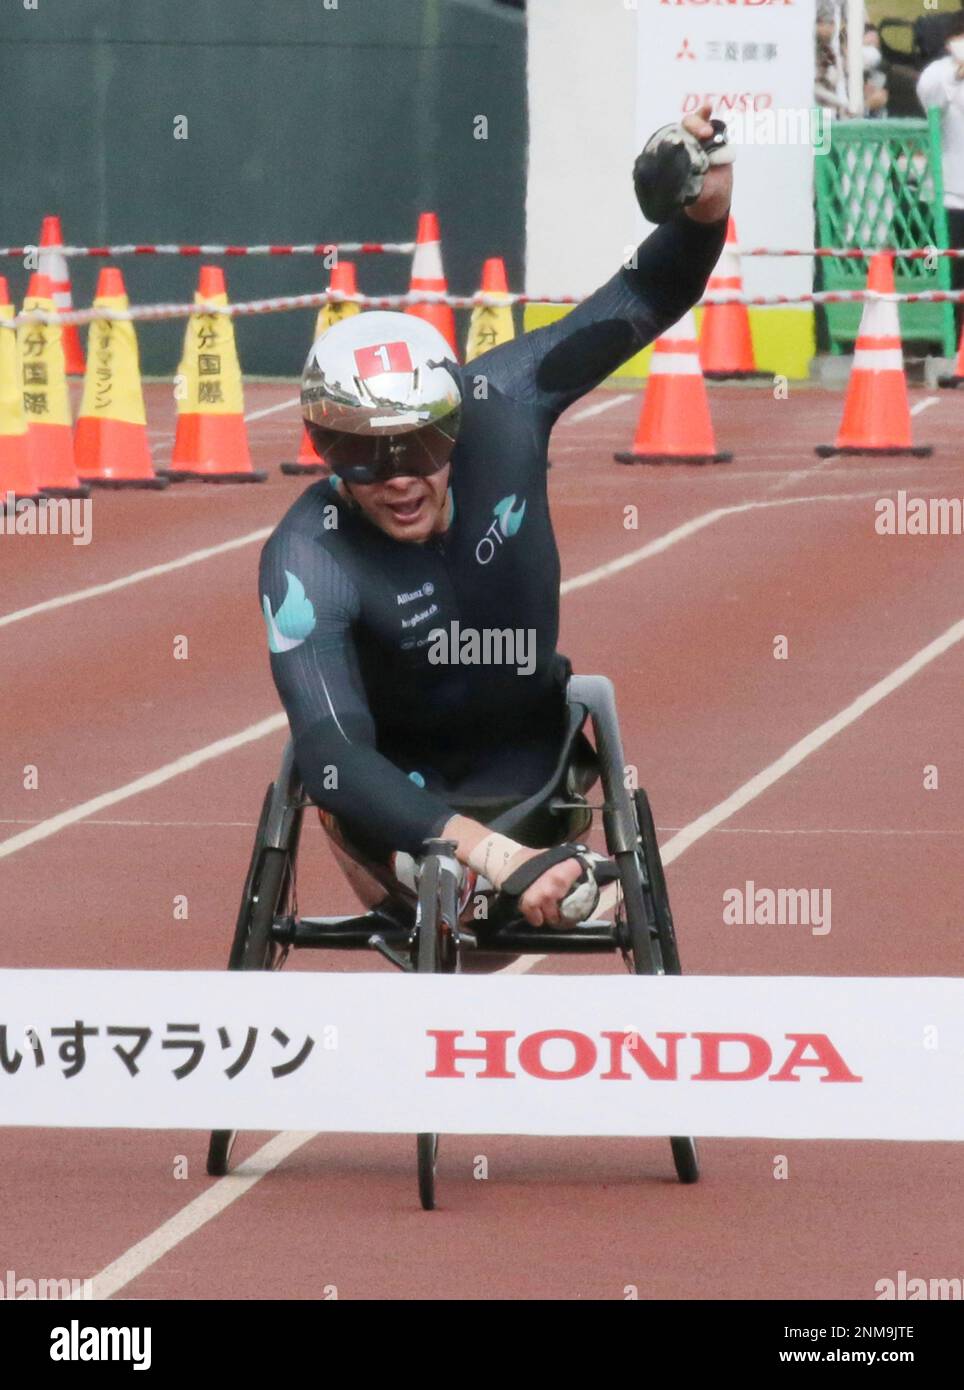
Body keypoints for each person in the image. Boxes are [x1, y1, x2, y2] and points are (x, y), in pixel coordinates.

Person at [260, 105, 733, 930]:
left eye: (421, 446)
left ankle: (521, 879)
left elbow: (650, 291)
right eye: (363, 456)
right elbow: (332, 758)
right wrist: (489, 854)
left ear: (456, 421)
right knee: (421, 868)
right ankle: (472, 882)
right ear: (324, 450)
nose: (398, 480)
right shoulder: (308, 558)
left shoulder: (505, 400)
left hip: (543, 769)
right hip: (402, 805)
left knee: (523, 887)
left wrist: (707, 192)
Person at [917, 12, 964, 337]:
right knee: (949, 271)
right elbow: (930, 98)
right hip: (951, 193)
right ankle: (949, 342)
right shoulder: (941, 73)